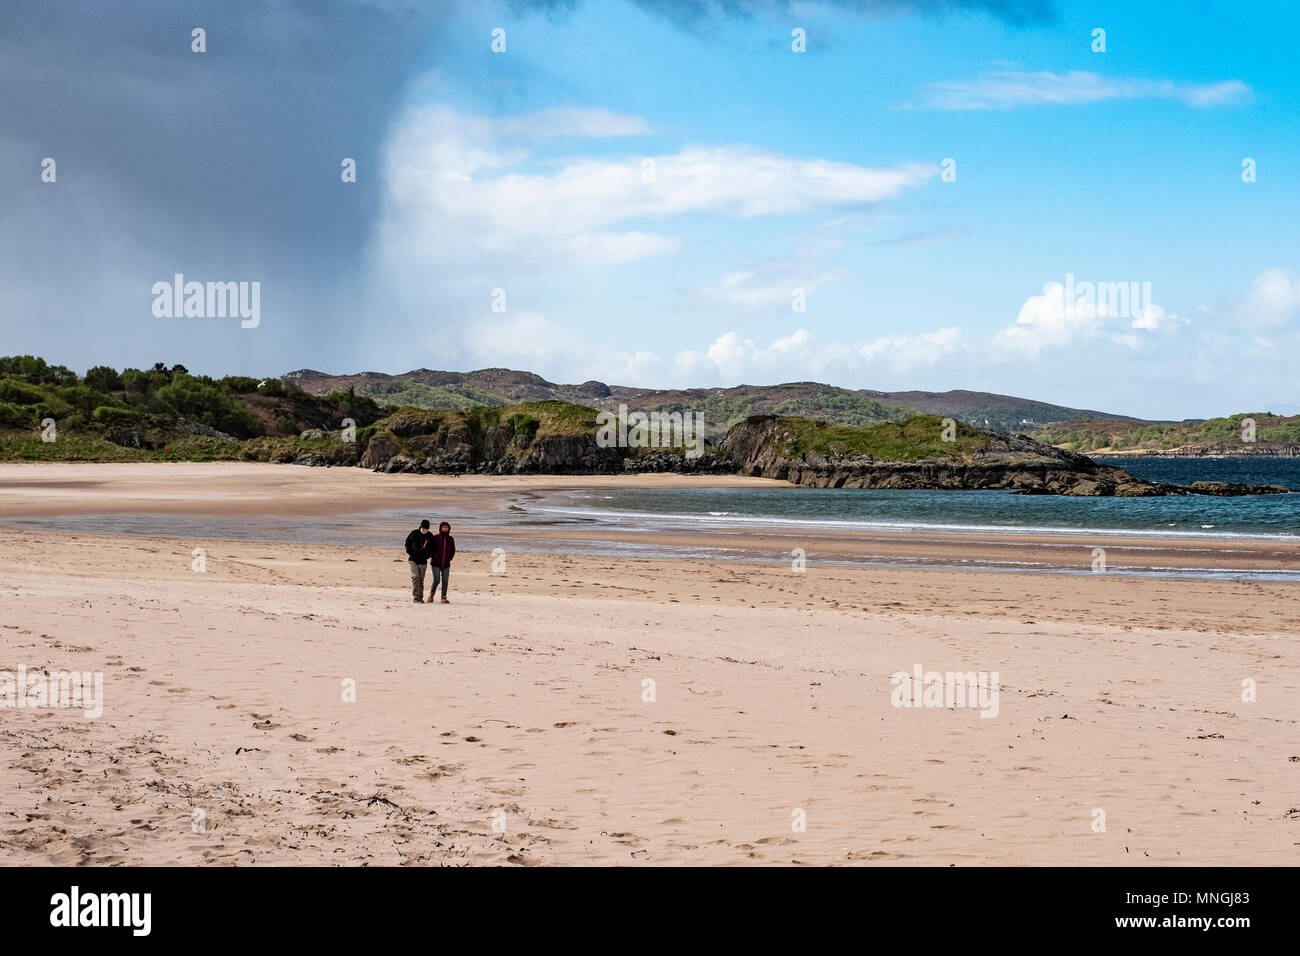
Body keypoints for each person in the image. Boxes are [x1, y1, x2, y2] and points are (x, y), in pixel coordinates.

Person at [404, 519, 433, 603]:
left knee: (421, 579)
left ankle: (420, 597)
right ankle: (416, 597)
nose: (424, 530)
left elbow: (433, 548)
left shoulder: (430, 536)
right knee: (415, 576)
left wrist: (428, 555)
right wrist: (410, 552)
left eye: (426, 529)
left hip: (423, 561)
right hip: (412, 559)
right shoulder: (414, 533)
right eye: (423, 528)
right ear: (420, 527)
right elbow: (407, 543)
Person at [429, 520, 456, 604]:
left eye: (447, 527)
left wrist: (450, 558)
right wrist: (434, 556)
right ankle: (431, 595)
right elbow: (430, 549)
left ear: (449, 529)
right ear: (440, 528)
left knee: (445, 580)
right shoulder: (435, 537)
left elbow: (453, 550)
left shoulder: (450, 539)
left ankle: (443, 597)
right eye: (443, 527)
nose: (445, 529)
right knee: (436, 580)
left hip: (446, 564)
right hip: (435, 563)